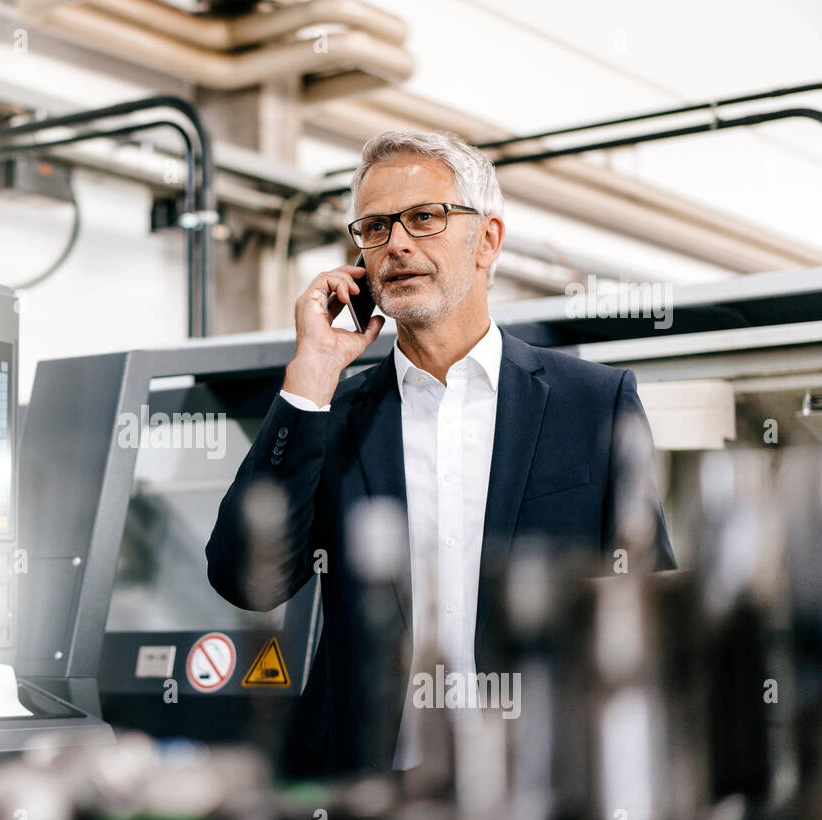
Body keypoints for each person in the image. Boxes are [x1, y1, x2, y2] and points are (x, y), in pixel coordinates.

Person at [205, 130, 677, 778]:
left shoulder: (591, 404)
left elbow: (647, 603)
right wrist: (312, 372)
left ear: (487, 239)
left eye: (424, 218)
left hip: (540, 786)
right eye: (374, 227)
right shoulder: (331, 414)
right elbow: (240, 576)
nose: (396, 243)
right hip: (364, 797)